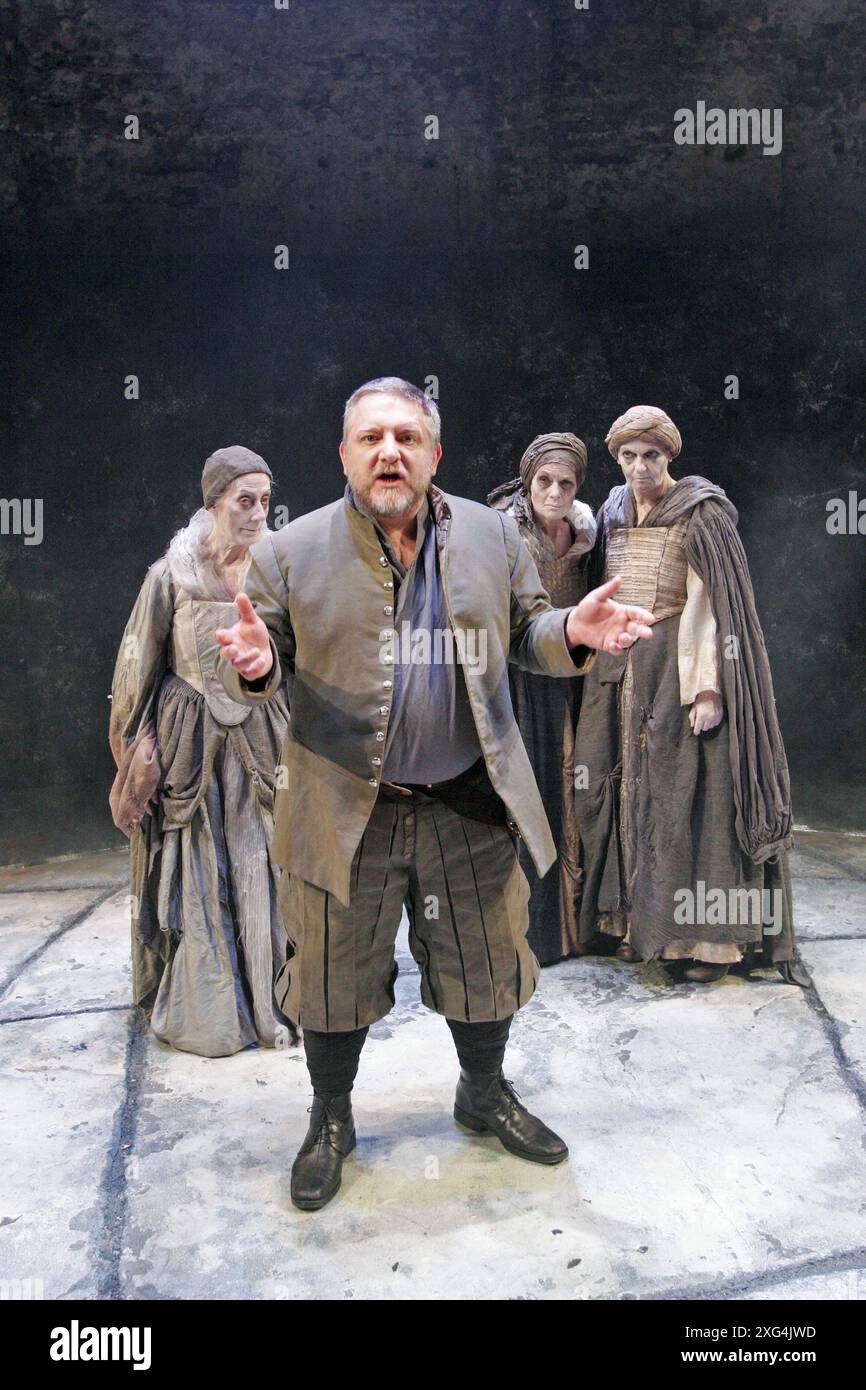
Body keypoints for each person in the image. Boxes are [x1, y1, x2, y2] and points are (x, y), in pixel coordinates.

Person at [214, 378, 654, 1211]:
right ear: (344, 453)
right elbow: (260, 661)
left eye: (407, 438)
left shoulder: (493, 536)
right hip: (350, 806)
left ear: (434, 455)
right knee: (333, 978)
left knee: (487, 964)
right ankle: (332, 1118)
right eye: (371, 437)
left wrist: (574, 633)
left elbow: (530, 633)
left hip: (468, 798)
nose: (390, 452)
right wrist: (256, 664)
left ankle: (483, 1093)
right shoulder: (288, 552)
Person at [573, 405, 811, 986]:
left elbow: (712, 603)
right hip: (621, 661)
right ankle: (640, 929)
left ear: (669, 455)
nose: (638, 467)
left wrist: (707, 687)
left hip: (678, 657)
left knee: (689, 798)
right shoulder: (613, 508)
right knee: (629, 791)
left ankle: (708, 944)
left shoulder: (700, 512)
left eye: (649, 456)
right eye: (628, 457)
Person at [109, 446, 297, 1056]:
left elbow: (294, 654)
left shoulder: (272, 571)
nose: (256, 514)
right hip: (192, 744)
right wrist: (131, 756)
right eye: (245, 501)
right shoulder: (172, 575)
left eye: (265, 502)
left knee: (261, 858)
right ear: (213, 503)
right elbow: (137, 664)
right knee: (200, 864)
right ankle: (209, 1009)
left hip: (262, 735)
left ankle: (271, 999)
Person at [488, 433, 596, 963]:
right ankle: (530, 935)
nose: (554, 493)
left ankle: (576, 927)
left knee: (576, 788)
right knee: (529, 796)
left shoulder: (583, 535)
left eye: (566, 483)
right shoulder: (504, 532)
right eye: (544, 482)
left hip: (574, 674)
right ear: (528, 482)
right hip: (522, 677)